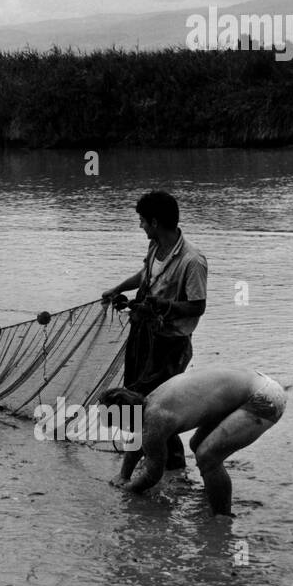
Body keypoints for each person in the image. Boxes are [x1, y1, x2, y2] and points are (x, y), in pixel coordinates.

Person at [101, 190, 207, 469]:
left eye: (143, 221)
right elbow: (145, 274)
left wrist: (163, 305)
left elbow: (197, 306)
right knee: (134, 398)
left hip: (170, 345)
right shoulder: (156, 247)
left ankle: (169, 465)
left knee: (157, 407)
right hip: (143, 336)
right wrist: (119, 288)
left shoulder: (192, 260)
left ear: (156, 222)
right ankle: (146, 456)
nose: (140, 226)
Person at [102, 367, 286, 515]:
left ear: (126, 417)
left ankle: (221, 520)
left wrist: (129, 489)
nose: (122, 431)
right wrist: (123, 475)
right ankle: (213, 496)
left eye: (119, 426)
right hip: (260, 384)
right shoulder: (149, 402)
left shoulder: (155, 420)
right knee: (197, 445)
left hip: (264, 398)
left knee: (207, 456)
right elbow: (138, 441)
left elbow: (153, 473)